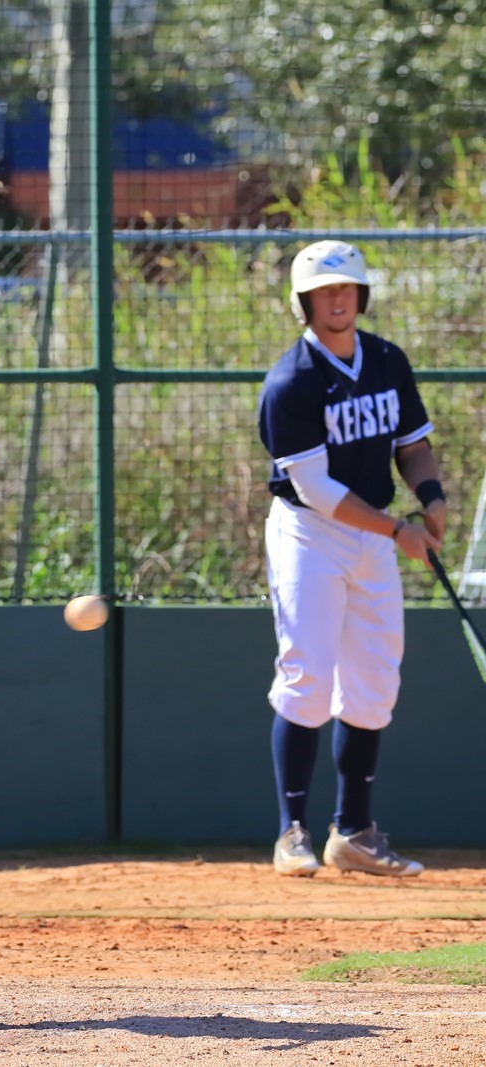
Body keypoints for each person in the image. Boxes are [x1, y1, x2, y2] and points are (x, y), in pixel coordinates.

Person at [258, 239, 446, 878]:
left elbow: (412, 444)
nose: (337, 300)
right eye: (324, 291)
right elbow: (317, 490)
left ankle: (356, 832)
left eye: (347, 289)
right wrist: (399, 529)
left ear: (360, 296)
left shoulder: (388, 361)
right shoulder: (292, 382)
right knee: (307, 677)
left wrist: (432, 497)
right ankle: (291, 834)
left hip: (375, 535)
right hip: (310, 534)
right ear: (304, 302)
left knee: (373, 684)